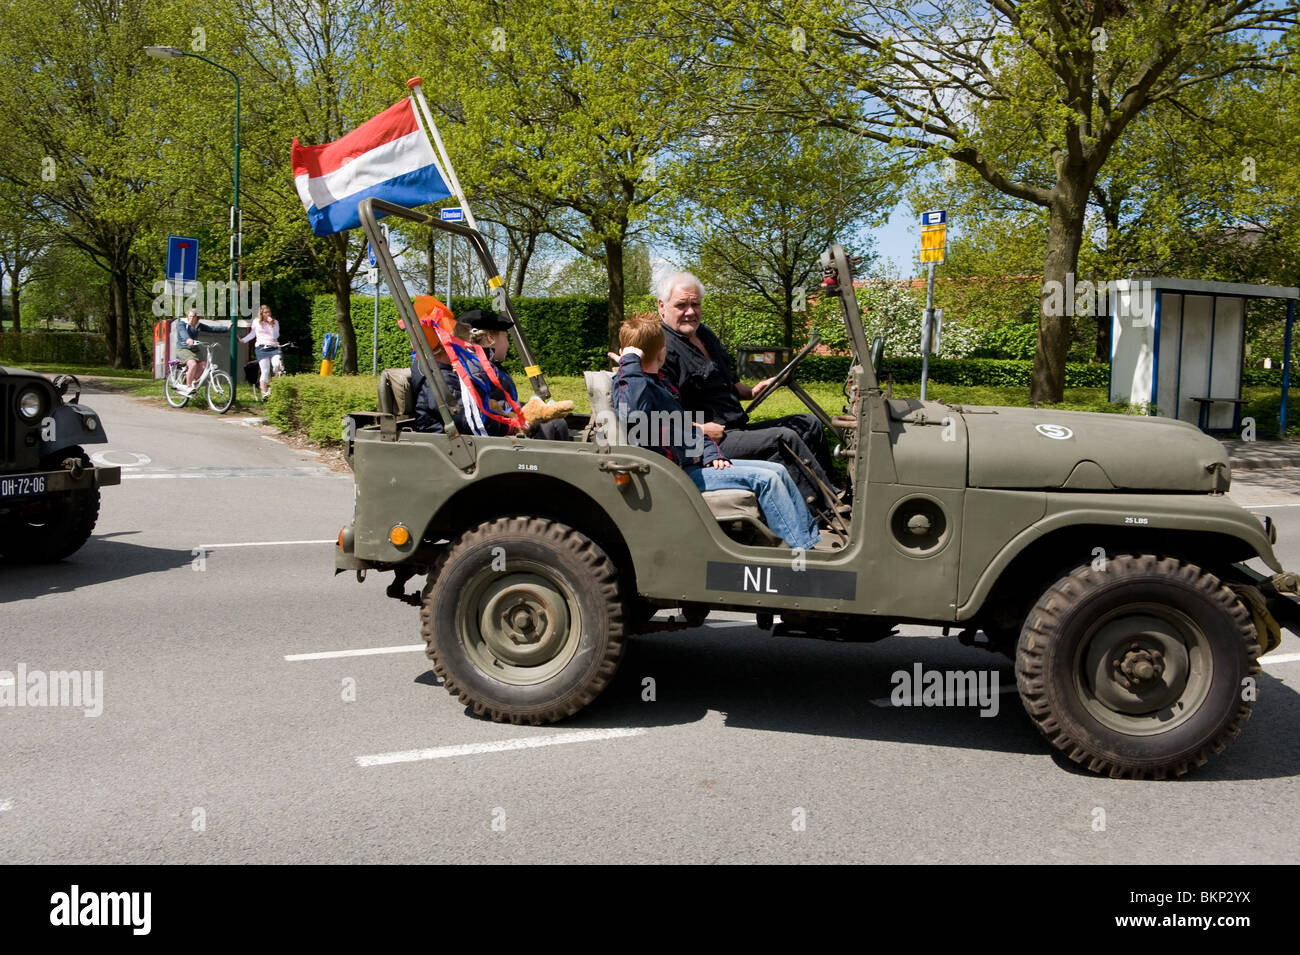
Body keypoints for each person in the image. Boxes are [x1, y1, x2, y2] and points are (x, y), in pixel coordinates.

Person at [613, 314, 820, 551]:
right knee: (767, 479)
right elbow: (632, 413)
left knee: (779, 470)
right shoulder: (630, 384)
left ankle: (808, 544)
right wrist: (629, 364)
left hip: (689, 464)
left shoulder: (661, 385)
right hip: (672, 475)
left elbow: (685, 427)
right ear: (662, 351)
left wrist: (712, 453)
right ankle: (801, 555)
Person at [654, 272, 840, 513]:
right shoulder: (661, 349)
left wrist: (753, 391)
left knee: (808, 424)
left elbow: (729, 383)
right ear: (662, 306)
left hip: (736, 428)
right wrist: (700, 430)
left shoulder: (705, 335)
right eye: (681, 305)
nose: (690, 311)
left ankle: (832, 491)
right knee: (783, 439)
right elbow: (658, 415)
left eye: (695, 304)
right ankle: (825, 512)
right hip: (711, 441)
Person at [410, 307, 569, 441]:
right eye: (453, 341)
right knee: (551, 426)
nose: (461, 345)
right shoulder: (440, 379)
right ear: (444, 346)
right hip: (458, 449)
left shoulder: (442, 375)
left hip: (465, 442)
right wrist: (510, 427)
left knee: (551, 424)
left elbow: (479, 410)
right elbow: (472, 422)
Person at [240, 304, 283, 399]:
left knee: (277, 365)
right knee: (265, 370)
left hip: (273, 347)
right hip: (261, 348)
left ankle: (273, 387)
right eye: (265, 312)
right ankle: (264, 393)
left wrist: (271, 325)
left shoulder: (275, 322)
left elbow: (275, 336)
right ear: (261, 313)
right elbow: (252, 334)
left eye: (269, 312)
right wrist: (243, 340)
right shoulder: (256, 322)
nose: (268, 314)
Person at [174, 308, 207, 393]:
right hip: (183, 348)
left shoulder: (198, 325)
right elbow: (182, 332)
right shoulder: (182, 324)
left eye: (193, 316)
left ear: (197, 318)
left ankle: (193, 383)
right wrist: (188, 339)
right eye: (190, 316)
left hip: (194, 349)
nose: (191, 318)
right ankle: (188, 387)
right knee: (193, 364)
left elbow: (212, 329)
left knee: (204, 365)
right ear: (187, 316)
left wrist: (226, 328)